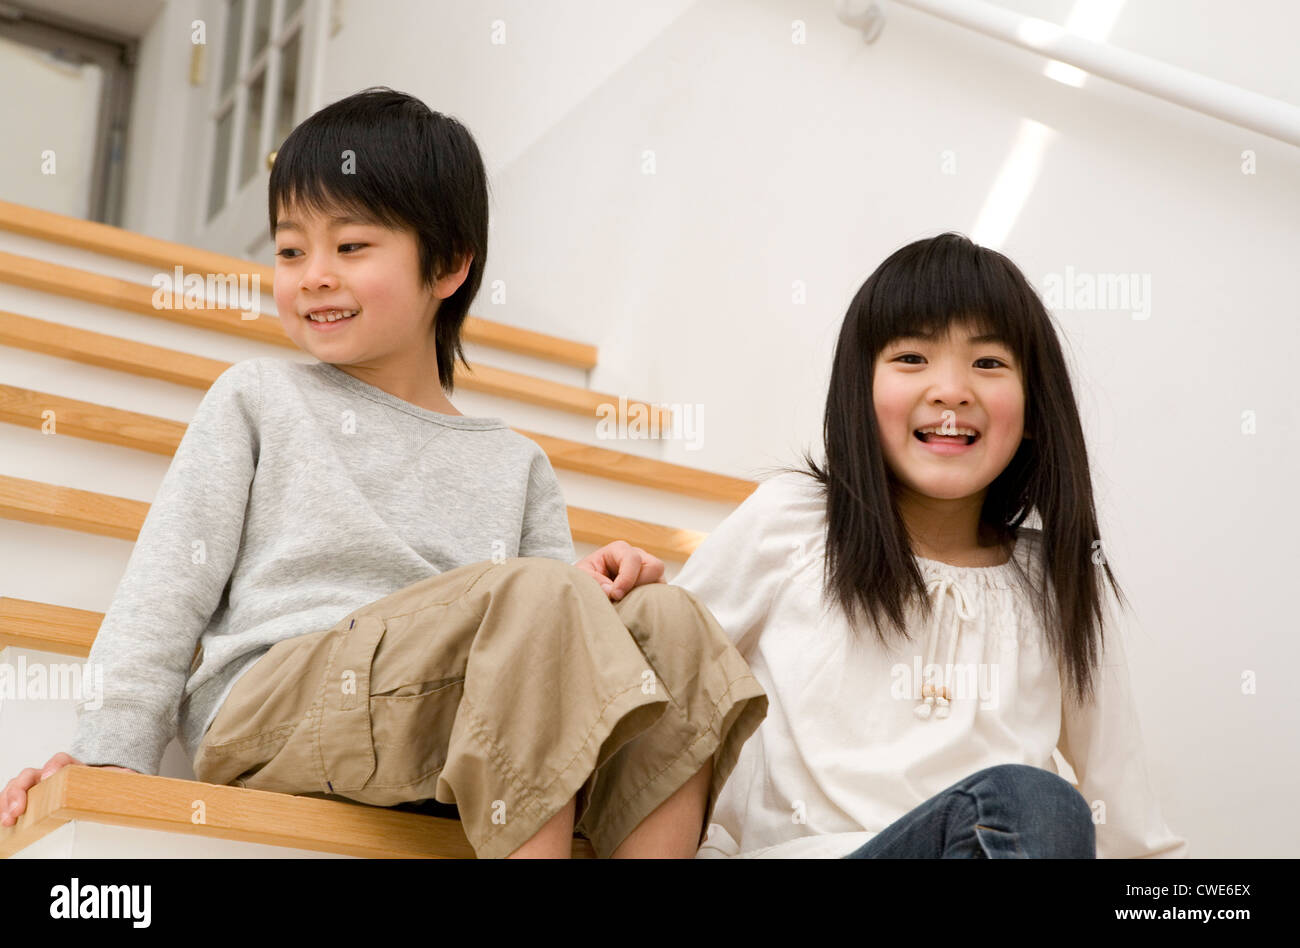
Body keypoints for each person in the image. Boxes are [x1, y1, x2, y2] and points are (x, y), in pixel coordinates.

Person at [0, 87, 767, 859]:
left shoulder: (515, 462)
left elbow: (554, 649)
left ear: (450, 266)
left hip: (446, 729)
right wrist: (109, 754)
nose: (314, 276)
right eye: (292, 250)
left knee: (669, 618)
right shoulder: (259, 399)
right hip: (281, 709)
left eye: (352, 247)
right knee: (545, 595)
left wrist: (606, 585)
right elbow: (163, 593)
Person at [673, 232, 1188, 858]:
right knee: (1033, 801)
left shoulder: (1058, 581)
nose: (950, 390)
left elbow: (1129, 828)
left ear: (1033, 411)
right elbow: (654, 689)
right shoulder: (793, 524)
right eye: (912, 358)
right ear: (860, 392)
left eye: (989, 362)